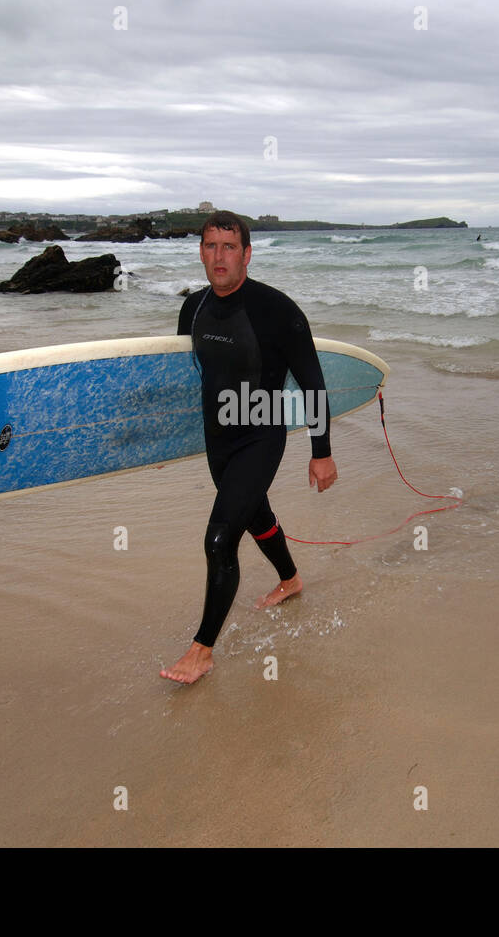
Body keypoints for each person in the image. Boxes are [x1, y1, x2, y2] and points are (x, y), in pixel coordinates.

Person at [161, 211, 337, 684]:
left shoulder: (277, 310)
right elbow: (185, 380)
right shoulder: (193, 308)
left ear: (247, 253)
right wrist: (161, 441)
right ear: (201, 251)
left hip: (261, 432)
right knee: (254, 514)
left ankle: (201, 651)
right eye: (210, 246)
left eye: (229, 247)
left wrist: (321, 451)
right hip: (217, 438)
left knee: (220, 538)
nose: (219, 257)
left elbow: (313, 383)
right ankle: (292, 580)